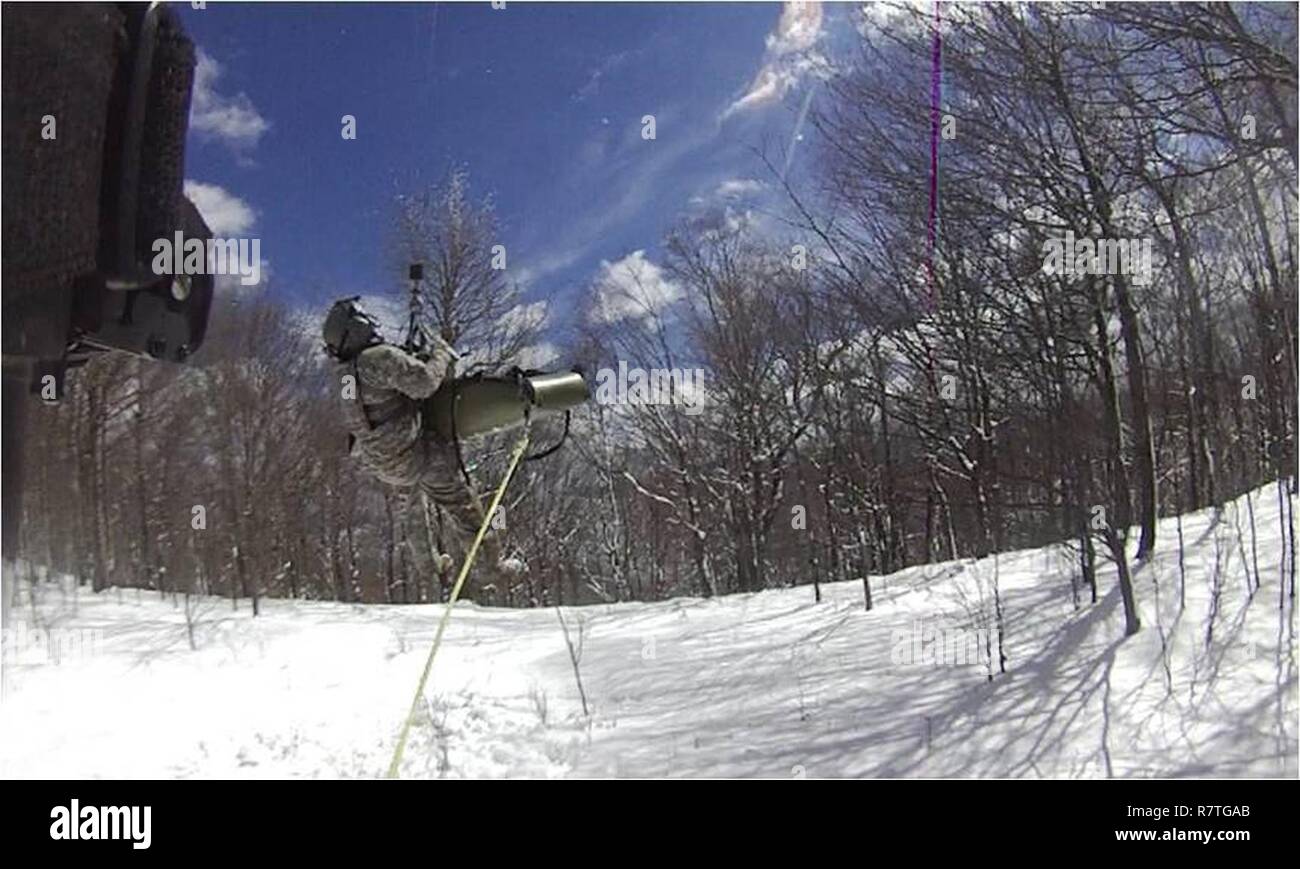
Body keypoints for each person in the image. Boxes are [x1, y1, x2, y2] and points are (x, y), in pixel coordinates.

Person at [321, 297, 522, 598]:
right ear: (359, 328)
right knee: (462, 506)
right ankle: (491, 569)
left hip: (382, 463)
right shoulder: (378, 358)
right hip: (416, 454)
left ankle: (430, 567)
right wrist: (441, 354)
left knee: (413, 513)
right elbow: (425, 384)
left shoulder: (343, 375)